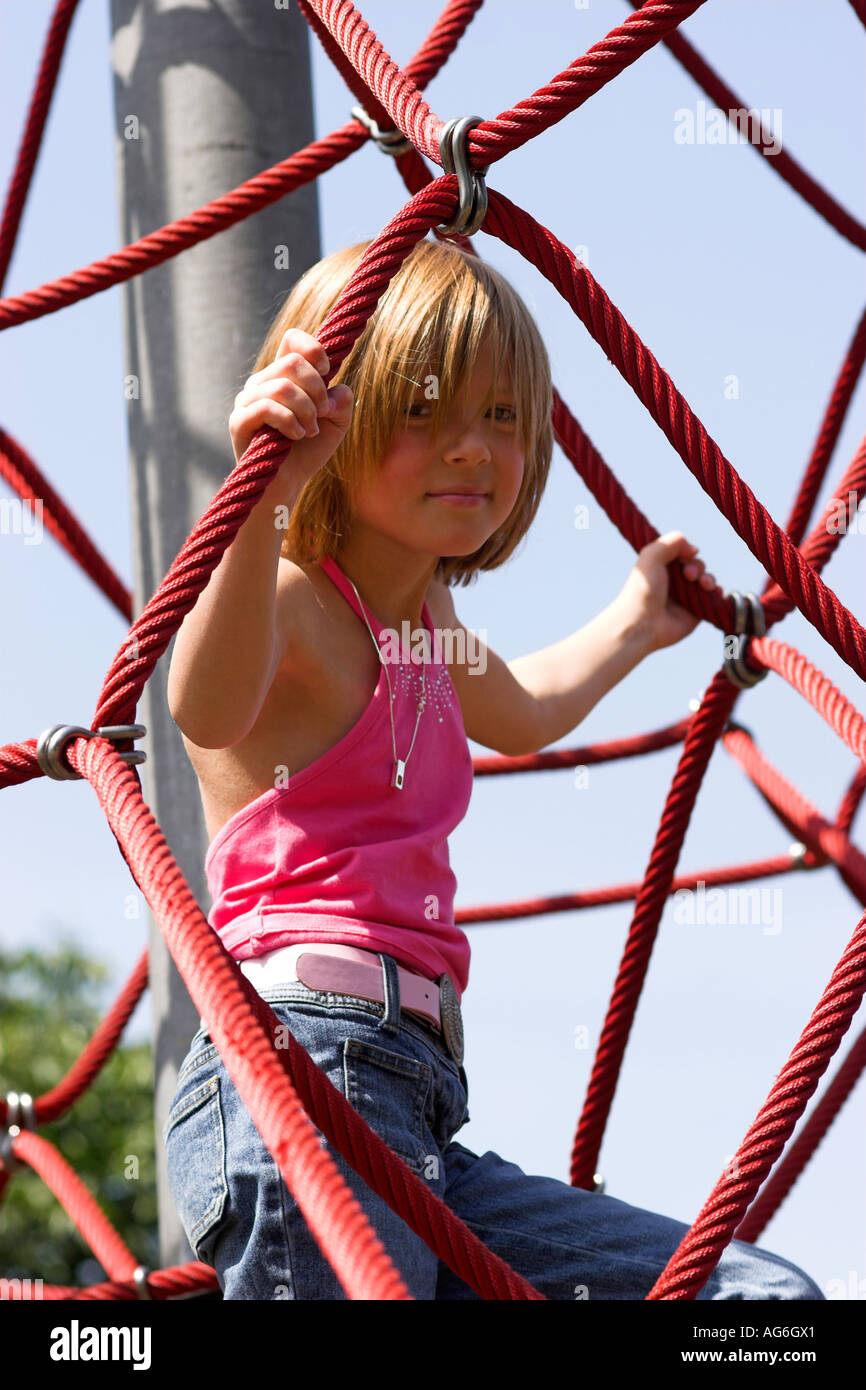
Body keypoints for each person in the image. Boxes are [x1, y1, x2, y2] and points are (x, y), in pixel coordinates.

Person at [163, 237, 824, 1301]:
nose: (472, 448)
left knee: (757, 1301)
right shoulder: (288, 600)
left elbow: (523, 708)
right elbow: (198, 698)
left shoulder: (428, 623)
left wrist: (633, 620)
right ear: (337, 411)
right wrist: (267, 491)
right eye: (423, 412)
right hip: (300, 1069)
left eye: (502, 417)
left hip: (422, 1108)